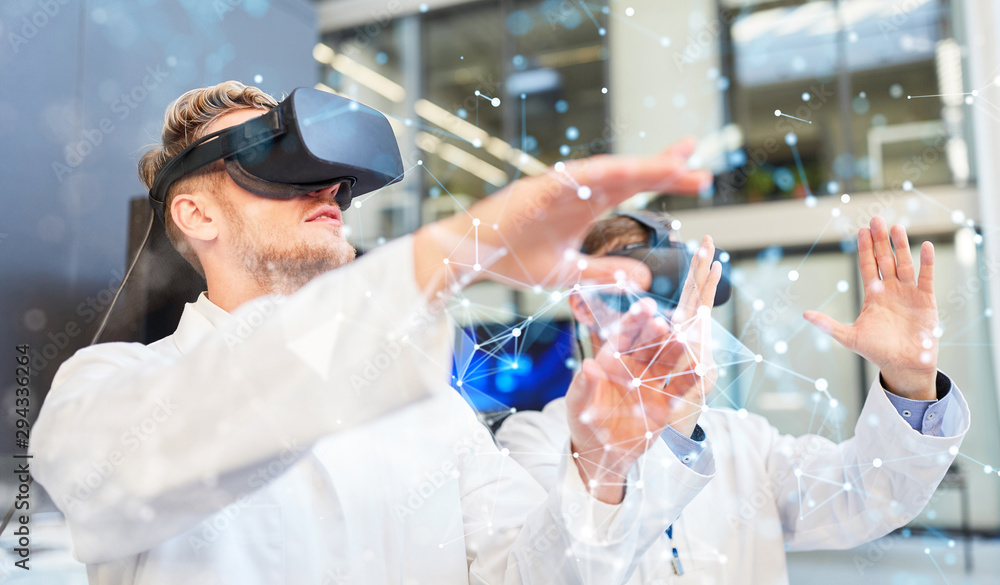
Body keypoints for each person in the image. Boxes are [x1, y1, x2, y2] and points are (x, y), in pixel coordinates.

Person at [29, 81, 722, 584]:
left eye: (334, 175)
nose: (329, 188)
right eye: (275, 162)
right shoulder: (109, 389)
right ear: (196, 215)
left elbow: (528, 574)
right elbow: (147, 454)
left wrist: (601, 469)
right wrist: (449, 254)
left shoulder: (433, 412)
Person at [496, 211, 970, 584]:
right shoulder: (534, 441)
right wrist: (676, 423)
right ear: (582, 304)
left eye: (682, 290)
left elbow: (870, 496)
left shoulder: (746, 441)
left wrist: (910, 381)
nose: (664, 312)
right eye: (634, 285)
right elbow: (560, 571)